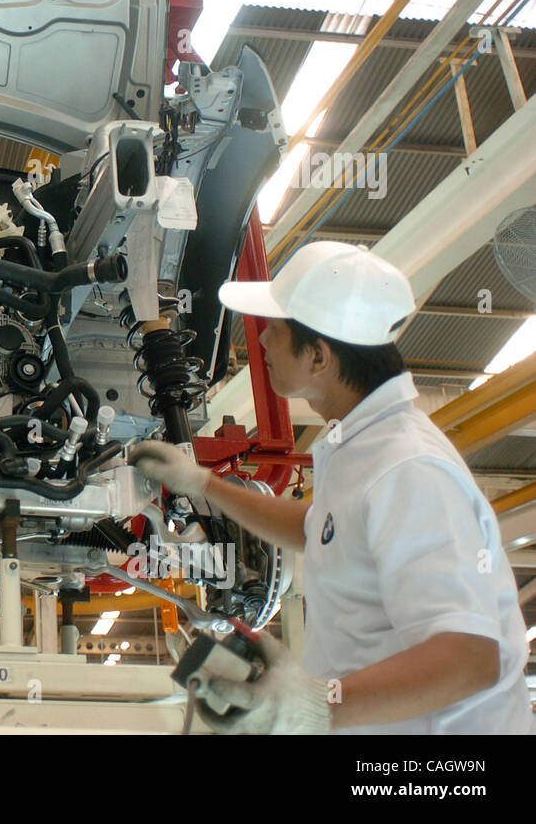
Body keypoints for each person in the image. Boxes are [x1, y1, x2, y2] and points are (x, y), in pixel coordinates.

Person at [130, 241, 532, 734]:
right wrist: (204, 485)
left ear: (318, 356)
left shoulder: (407, 469)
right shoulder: (362, 447)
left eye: (273, 331)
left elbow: (471, 658)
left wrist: (318, 706)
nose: (261, 344)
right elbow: (322, 528)